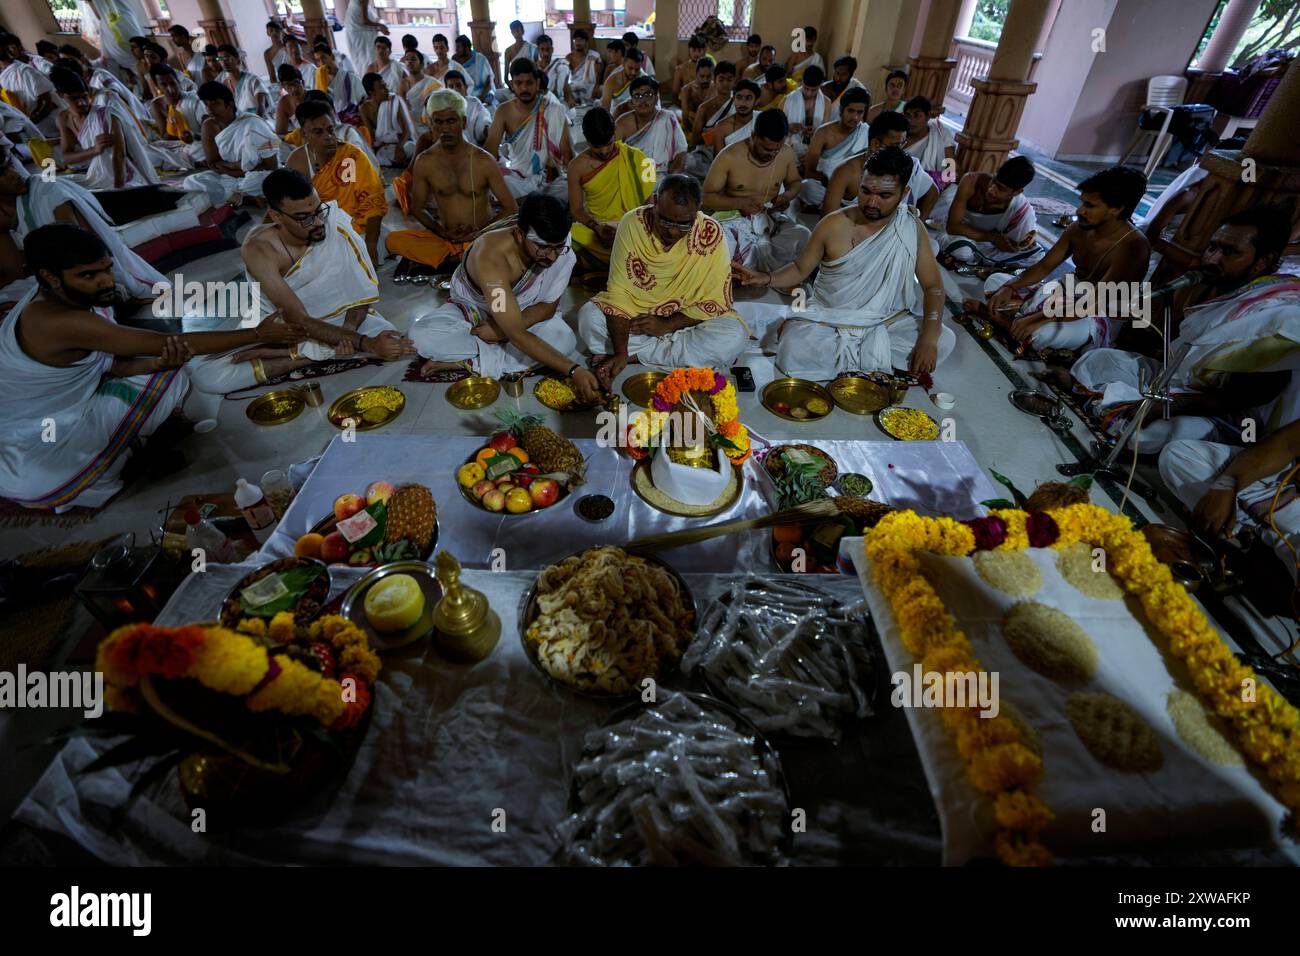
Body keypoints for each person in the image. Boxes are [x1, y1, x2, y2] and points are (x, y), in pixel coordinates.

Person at [0, 223, 296, 510]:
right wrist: (258, 334)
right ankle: (122, 454)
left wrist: (154, 363)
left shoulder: (62, 298)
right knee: (176, 371)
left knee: (167, 367)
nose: (105, 281)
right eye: (88, 275)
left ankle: (126, 445)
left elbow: (108, 367)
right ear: (50, 277)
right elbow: (168, 341)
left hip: (48, 423)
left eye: (106, 269)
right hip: (36, 454)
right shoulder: (59, 321)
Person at [1064, 205, 1297, 454]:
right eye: (1213, 247)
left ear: (1263, 261)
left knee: (1150, 433)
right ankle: (1114, 406)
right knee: (1100, 358)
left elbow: (1250, 396)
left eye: (1229, 252)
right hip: (1174, 384)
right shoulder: (1228, 285)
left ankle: (1103, 402)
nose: (1212, 259)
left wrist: (1175, 404)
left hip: (1223, 413)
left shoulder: (1276, 312)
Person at [732, 145, 952, 378]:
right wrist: (765, 278)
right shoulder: (833, 224)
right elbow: (800, 268)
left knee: (945, 339)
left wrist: (928, 339)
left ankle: (853, 360)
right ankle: (870, 361)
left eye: (884, 196)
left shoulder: (910, 227)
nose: (871, 202)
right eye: (866, 191)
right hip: (828, 322)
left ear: (904, 192)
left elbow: (933, 287)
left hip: (885, 322)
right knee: (794, 347)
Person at [190, 169, 410, 394]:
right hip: (281, 327)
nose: (317, 222)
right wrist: (364, 344)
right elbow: (296, 318)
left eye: (318, 211)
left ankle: (307, 354)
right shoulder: (260, 248)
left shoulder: (336, 224)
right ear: (277, 217)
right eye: (304, 218)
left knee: (388, 334)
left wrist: (349, 331)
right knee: (207, 375)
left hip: (338, 318)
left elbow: (360, 294)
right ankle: (312, 356)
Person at [411, 193, 589, 392]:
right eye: (543, 248)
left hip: (522, 312)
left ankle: (471, 362)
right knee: (422, 338)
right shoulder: (491, 257)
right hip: (475, 310)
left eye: (558, 248)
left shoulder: (560, 242)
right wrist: (574, 370)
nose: (552, 257)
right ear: (520, 235)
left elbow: (547, 308)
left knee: (564, 339)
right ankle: (503, 359)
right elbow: (518, 335)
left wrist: (500, 330)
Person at [579, 174, 749, 379]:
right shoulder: (632, 223)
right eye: (665, 220)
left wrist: (667, 325)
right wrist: (621, 351)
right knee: (588, 318)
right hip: (638, 315)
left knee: (734, 335)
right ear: (654, 202)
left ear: (698, 210)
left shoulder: (711, 233)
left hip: (687, 319)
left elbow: (714, 299)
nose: (673, 232)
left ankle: (638, 355)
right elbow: (618, 292)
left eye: (684, 224)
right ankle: (646, 354)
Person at [976, 165, 1149, 354]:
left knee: (1041, 333)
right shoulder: (1080, 227)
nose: (1080, 210)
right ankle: (1016, 323)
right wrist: (1009, 287)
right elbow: (1044, 267)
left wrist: (1038, 319)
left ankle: (1009, 321)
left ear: (1116, 209)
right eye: (1082, 202)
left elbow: (1092, 303)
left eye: (1090, 206)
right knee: (997, 282)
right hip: (1065, 296)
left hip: (1095, 314)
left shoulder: (1134, 247)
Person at [0, 142, 164, 302]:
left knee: (157, 196)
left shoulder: (46, 190)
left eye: (11, 165)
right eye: (2, 173)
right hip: (62, 268)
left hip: (108, 213)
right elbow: (14, 271)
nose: (15, 174)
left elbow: (80, 247)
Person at [386, 89, 516, 277]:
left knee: (511, 240)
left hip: (482, 236)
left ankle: (455, 261)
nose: (445, 129)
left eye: (451, 121)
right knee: (393, 240)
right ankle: (461, 260)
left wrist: (478, 233)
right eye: (438, 122)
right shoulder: (425, 161)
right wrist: (442, 232)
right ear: (430, 123)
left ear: (463, 122)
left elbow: (510, 207)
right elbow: (418, 208)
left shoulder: (483, 160)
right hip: (447, 239)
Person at [1160, 418, 1300, 578]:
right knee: (1178, 456)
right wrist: (1226, 486)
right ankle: (1242, 533)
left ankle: (1249, 539)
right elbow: (1286, 444)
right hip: (1283, 489)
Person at [703, 108, 809, 271]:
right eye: (766, 149)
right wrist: (741, 202)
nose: (772, 155)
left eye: (776, 150)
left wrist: (787, 196)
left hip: (769, 220)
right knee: (719, 247)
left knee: (804, 236)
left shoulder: (786, 153)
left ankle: (765, 269)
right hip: (733, 218)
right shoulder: (729, 157)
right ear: (753, 136)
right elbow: (707, 198)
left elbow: (795, 182)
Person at [286, 98, 387, 268]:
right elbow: (292, 211)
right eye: (318, 132)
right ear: (304, 134)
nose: (328, 137)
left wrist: (370, 248)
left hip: (359, 232)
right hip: (317, 234)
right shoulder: (297, 162)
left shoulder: (351, 156)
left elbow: (373, 204)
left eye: (330, 130)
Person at [569, 106, 655, 269]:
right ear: (586, 140)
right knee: (568, 238)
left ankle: (607, 264)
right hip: (599, 229)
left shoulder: (640, 158)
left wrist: (637, 227)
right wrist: (597, 227)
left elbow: (650, 205)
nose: (604, 151)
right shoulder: (576, 166)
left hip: (633, 225)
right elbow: (576, 210)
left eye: (608, 143)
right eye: (597, 146)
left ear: (615, 132)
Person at [53, 68, 159, 190]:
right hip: (96, 174)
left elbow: (119, 155)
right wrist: (94, 150)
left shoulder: (106, 114)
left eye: (84, 97)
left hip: (123, 174)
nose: (81, 103)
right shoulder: (63, 118)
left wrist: (118, 189)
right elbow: (66, 157)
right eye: (74, 98)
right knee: (53, 184)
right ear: (60, 95)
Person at [820, 111, 938, 220]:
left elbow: (933, 192)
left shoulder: (908, 166)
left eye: (902, 145)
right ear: (875, 144)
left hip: (892, 236)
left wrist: (917, 224)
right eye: (896, 146)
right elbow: (827, 219)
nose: (900, 151)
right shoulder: (846, 171)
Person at [181, 80, 281, 204]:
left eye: (215, 103)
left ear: (230, 105)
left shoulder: (252, 123)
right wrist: (234, 171)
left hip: (255, 176)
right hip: (229, 176)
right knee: (192, 181)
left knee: (264, 181)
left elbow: (271, 166)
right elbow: (212, 163)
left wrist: (236, 168)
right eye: (206, 104)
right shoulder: (209, 126)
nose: (209, 109)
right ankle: (246, 199)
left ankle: (236, 196)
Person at [485, 58, 571, 200]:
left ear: (537, 84)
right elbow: (490, 152)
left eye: (529, 83)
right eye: (519, 83)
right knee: (500, 180)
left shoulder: (554, 110)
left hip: (549, 181)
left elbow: (567, 153)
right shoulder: (503, 111)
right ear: (512, 85)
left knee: (569, 188)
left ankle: (522, 204)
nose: (524, 88)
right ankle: (532, 202)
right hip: (518, 179)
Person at [932, 156, 1039, 267]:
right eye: (994, 181)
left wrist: (1020, 243)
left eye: (1000, 188)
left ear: (1016, 192)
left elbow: (1021, 242)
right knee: (962, 252)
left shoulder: (1021, 208)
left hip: (988, 244)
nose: (991, 190)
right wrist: (993, 238)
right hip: (960, 236)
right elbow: (952, 227)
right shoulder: (971, 181)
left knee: (1036, 256)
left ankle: (981, 260)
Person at [799, 86, 871, 209]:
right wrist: (835, 185)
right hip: (826, 186)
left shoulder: (867, 132)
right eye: (851, 111)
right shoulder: (823, 132)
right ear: (841, 110)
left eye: (860, 112)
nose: (855, 117)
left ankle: (834, 204)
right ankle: (837, 203)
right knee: (806, 187)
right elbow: (809, 171)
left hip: (853, 192)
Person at [615, 76, 686, 177]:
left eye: (648, 95)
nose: (643, 100)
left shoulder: (667, 117)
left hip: (663, 176)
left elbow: (681, 151)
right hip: (633, 178)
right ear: (631, 102)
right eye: (637, 96)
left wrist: (672, 178)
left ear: (656, 98)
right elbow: (612, 155)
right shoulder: (623, 123)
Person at [0, 37, 61, 138]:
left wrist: (30, 123)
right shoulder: (4, 76)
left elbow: (47, 103)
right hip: (38, 133)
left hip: (52, 128)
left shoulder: (25, 71)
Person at [148, 64, 205, 166]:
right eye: (164, 85)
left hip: (198, 142)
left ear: (178, 81)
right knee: (149, 152)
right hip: (177, 145)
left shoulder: (193, 100)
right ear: (157, 86)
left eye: (172, 83)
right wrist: (175, 126)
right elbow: (165, 136)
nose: (170, 89)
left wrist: (193, 135)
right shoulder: (157, 104)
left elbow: (209, 130)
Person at [359, 71, 414, 167]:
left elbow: (407, 132)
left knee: (411, 148)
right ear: (371, 92)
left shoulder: (395, 101)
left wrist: (399, 148)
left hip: (402, 143)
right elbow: (372, 136)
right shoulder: (364, 109)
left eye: (385, 85)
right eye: (382, 88)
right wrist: (378, 146)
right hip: (384, 147)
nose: (387, 89)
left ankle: (398, 161)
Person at [903, 95, 955, 191]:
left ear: (927, 116)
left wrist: (935, 183)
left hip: (935, 186)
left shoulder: (940, 134)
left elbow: (951, 169)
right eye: (908, 115)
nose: (911, 120)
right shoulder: (899, 136)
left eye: (917, 115)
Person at [782, 65, 827, 160]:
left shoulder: (826, 103)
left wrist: (815, 133)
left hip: (814, 151)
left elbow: (825, 133)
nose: (809, 93)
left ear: (821, 85)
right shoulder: (787, 100)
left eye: (814, 90)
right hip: (789, 150)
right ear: (801, 81)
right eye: (806, 88)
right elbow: (774, 128)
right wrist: (788, 127)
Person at [216, 44, 271, 118]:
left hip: (259, 122)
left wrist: (254, 125)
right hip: (240, 124)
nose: (224, 62)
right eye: (220, 59)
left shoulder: (253, 81)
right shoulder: (224, 85)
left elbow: (261, 107)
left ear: (237, 60)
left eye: (227, 57)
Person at [691, 59, 737, 149]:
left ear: (734, 81)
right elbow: (695, 140)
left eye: (729, 79)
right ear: (715, 80)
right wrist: (719, 133)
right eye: (721, 79)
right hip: (707, 152)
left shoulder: (740, 106)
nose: (725, 83)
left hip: (732, 151)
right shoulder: (704, 108)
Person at [311, 43, 361, 118]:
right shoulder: (319, 83)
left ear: (331, 56)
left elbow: (363, 103)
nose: (322, 63)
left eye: (324, 58)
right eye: (318, 60)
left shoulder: (351, 78)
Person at [707, 77, 760, 149]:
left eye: (748, 98)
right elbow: (719, 159)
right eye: (739, 97)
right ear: (733, 99)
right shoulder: (721, 127)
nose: (742, 103)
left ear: (756, 101)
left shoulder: (763, 119)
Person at [444, 69, 489, 145]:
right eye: (451, 87)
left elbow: (483, 119)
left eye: (458, 85)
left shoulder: (474, 103)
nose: (455, 89)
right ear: (446, 90)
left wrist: (485, 128)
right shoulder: (442, 107)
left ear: (465, 87)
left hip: (474, 148)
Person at [345, 0, 389, 74]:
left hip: (354, 34)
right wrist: (381, 25)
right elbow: (364, 21)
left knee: (362, 60)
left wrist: (379, 28)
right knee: (369, 60)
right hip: (361, 36)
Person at [565, 29, 604, 112]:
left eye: (581, 40)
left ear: (586, 42)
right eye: (576, 40)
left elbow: (598, 75)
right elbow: (565, 77)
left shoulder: (594, 56)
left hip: (590, 87)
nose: (578, 43)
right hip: (574, 88)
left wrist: (596, 86)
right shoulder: (569, 58)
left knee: (602, 89)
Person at [603, 47, 647, 115]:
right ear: (623, 64)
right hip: (615, 117)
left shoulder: (644, 79)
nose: (633, 73)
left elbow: (654, 107)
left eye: (637, 69)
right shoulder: (612, 81)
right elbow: (605, 109)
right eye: (630, 68)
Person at [452, 35, 496, 105]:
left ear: (466, 48)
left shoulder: (480, 58)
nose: (456, 50)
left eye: (458, 47)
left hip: (482, 92)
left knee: (490, 99)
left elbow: (489, 79)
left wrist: (482, 96)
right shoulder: (455, 60)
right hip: (463, 93)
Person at [678, 56, 715, 136]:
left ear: (713, 75)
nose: (705, 80)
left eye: (708, 76)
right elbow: (685, 118)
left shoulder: (716, 89)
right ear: (696, 74)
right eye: (702, 76)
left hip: (709, 127)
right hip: (690, 127)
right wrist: (695, 135)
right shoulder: (687, 90)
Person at [823, 55, 867, 121]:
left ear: (851, 74)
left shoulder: (857, 89)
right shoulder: (824, 87)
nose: (838, 78)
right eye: (837, 73)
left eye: (843, 74)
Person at [273, 63, 308, 137]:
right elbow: (280, 133)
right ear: (283, 87)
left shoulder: (315, 97)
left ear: (303, 83)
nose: (294, 89)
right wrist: (298, 134)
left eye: (296, 83)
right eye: (288, 85)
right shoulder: (284, 103)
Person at [536, 35, 570, 109]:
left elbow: (563, 89)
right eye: (542, 49)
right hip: (536, 103)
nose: (546, 53)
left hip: (556, 102)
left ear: (552, 49)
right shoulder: (533, 68)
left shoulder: (560, 65)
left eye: (548, 49)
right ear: (538, 50)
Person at [673, 35, 707, 101]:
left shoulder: (709, 69)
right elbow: (675, 94)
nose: (696, 54)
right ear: (689, 50)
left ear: (703, 51)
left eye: (699, 50)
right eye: (694, 50)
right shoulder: (681, 69)